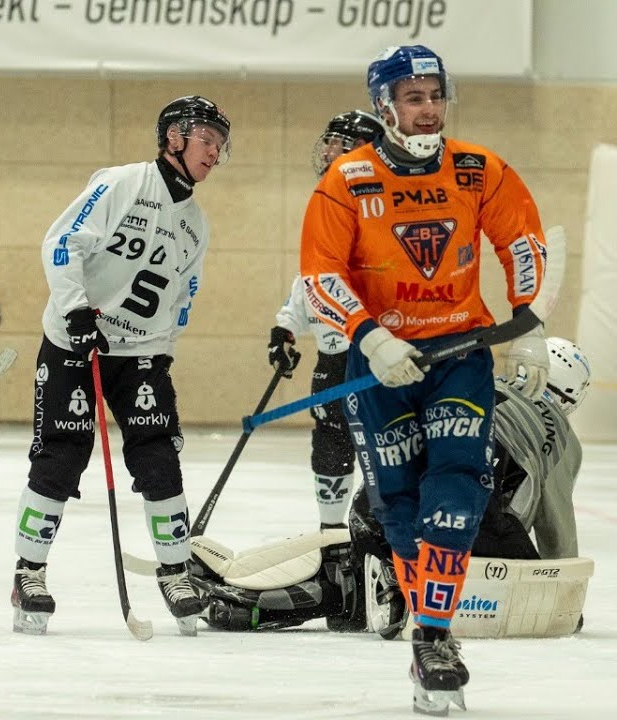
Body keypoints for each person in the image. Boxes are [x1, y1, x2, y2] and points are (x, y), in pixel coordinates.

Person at [300, 44, 550, 713]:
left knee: (457, 490)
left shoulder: (478, 168)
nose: (429, 108)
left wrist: (529, 319)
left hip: (459, 355)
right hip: (381, 364)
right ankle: (426, 629)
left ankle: (434, 637)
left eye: (436, 95)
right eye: (414, 97)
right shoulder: (347, 179)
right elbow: (320, 274)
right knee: (401, 508)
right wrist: (371, 337)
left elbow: (522, 241)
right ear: (385, 106)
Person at [195, 337, 590, 639]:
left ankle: (241, 588)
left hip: (387, 483)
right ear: (570, 395)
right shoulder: (562, 433)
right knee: (507, 550)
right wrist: (565, 599)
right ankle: (394, 580)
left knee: (351, 562)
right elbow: (557, 530)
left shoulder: (480, 382)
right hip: (464, 499)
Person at [9, 95, 229, 636]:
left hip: (139, 352)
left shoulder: (196, 225)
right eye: (206, 139)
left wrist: (163, 349)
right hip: (74, 341)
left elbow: (183, 296)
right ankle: (28, 572)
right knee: (62, 454)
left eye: (220, 145)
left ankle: (175, 572)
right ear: (174, 137)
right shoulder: (122, 184)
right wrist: (75, 310)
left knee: (158, 455)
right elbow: (62, 242)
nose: (214, 152)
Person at [268, 110, 383, 530]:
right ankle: (332, 535)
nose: (330, 151)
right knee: (331, 439)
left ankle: (382, 530)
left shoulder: (384, 206)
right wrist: (286, 326)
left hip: (376, 354)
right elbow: (314, 274)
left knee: (385, 444)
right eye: (330, 142)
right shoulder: (325, 201)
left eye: (342, 144)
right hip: (334, 357)